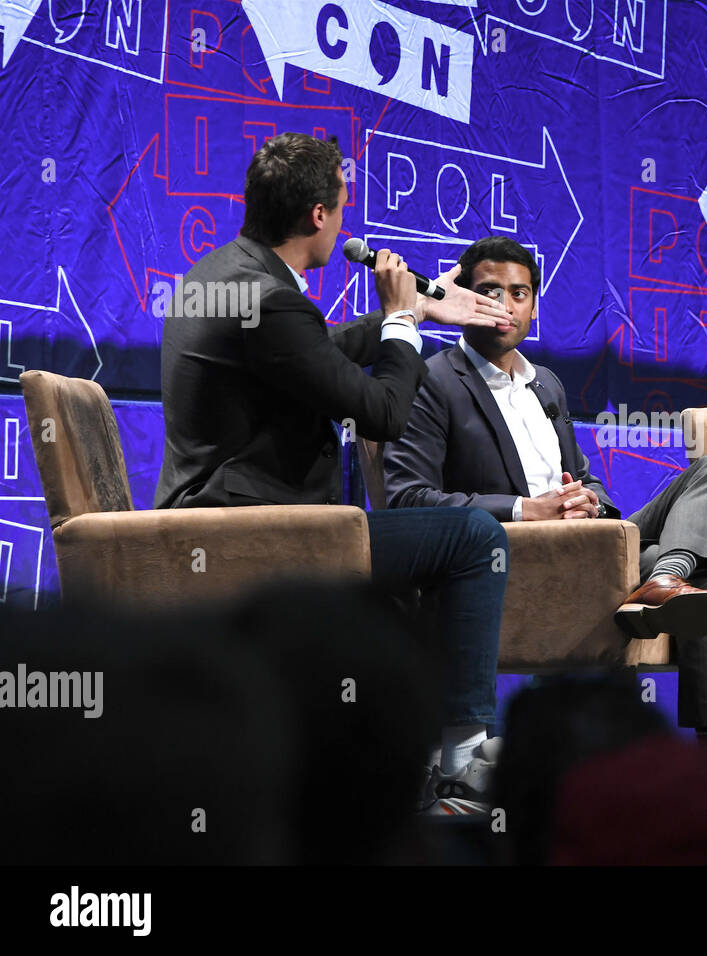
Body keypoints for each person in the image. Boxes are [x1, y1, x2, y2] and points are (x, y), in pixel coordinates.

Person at [154, 132, 514, 813]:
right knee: (472, 538)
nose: (345, 222)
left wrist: (401, 316)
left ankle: (410, 750)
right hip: (258, 530)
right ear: (319, 217)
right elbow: (382, 412)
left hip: (212, 511)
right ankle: (459, 760)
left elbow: (304, 353)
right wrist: (405, 322)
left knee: (423, 549)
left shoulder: (220, 276)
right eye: (343, 208)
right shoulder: (270, 298)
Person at [383, 236, 707, 752]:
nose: (505, 306)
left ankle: (667, 575)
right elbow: (406, 501)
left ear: (534, 305)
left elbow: (582, 477)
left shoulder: (548, 385)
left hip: (592, 541)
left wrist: (592, 502)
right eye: (489, 291)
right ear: (461, 297)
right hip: (508, 558)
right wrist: (524, 511)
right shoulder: (432, 379)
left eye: (519, 294)